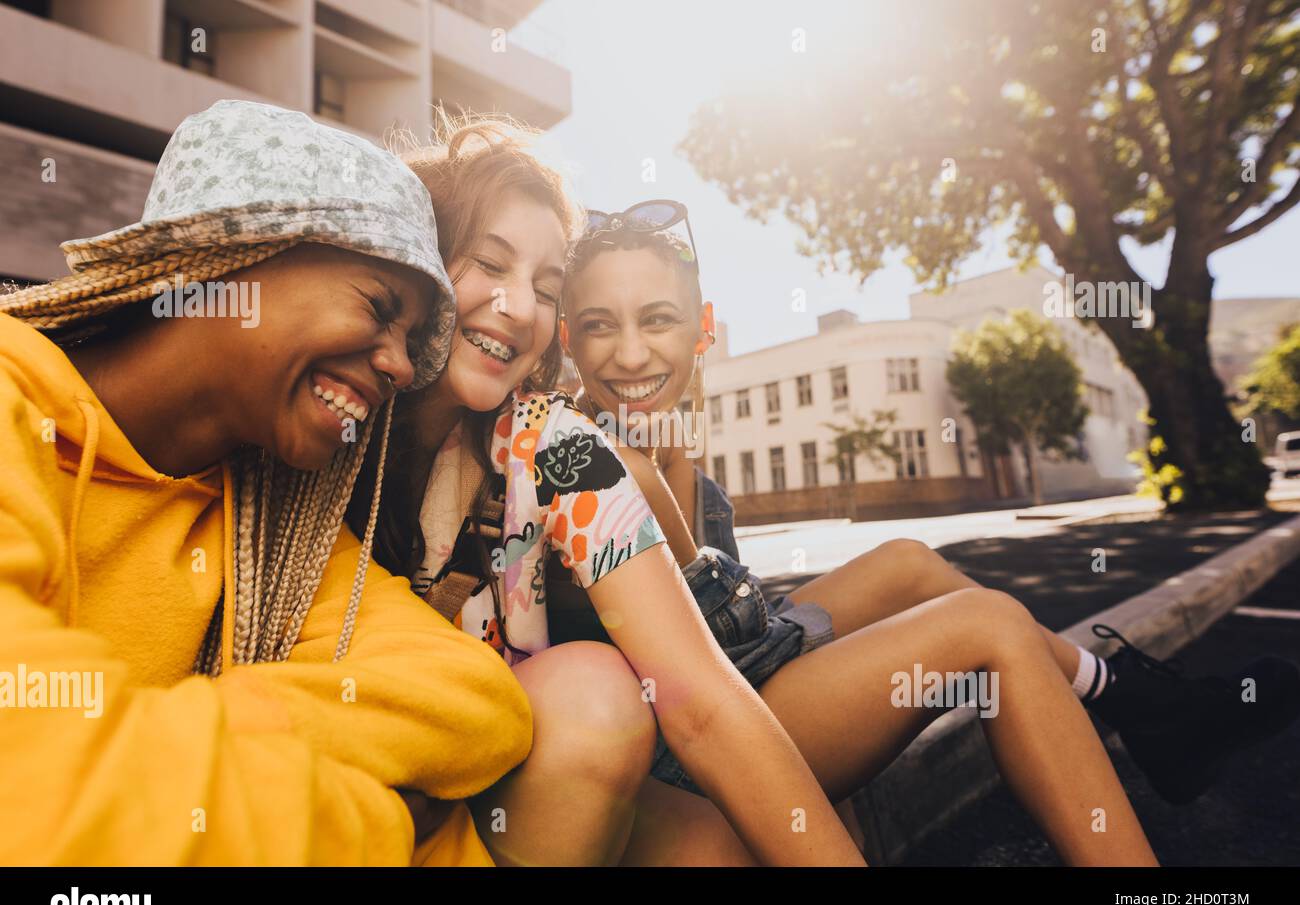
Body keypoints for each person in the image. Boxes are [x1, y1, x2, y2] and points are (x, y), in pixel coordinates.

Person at [353, 125, 1159, 866]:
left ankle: (1142, 726)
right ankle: (1140, 699)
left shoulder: (558, 447)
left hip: (622, 730)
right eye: (490, 266)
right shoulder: (334, 426)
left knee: (749, 817)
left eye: (544, 282)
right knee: (970, 624)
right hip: (548, 743)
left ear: (701, 331)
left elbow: (708, 685)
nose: (519, 304)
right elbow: (715, 655)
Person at [557, 201, 1300, 833]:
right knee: (990, 626)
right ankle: (1151, 738)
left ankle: (1143, 702)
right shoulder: (590, 462)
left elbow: (739, 629)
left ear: (703, 328)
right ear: (568, 341)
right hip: (686, 739)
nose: (629, 354)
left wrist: (677, 465)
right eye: (598, 326)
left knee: (909, 562)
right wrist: (658, 476)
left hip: (743, 666)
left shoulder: (673, 454)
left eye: (658, 319)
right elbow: (714, 661)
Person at [0, 99, 532, 866]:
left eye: (410, 340)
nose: (403, 364)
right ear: (238, 257)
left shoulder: (275, 523)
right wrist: (373, 820)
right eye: (381, 309)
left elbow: (478, 702)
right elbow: (42, 791)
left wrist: (192, 736)